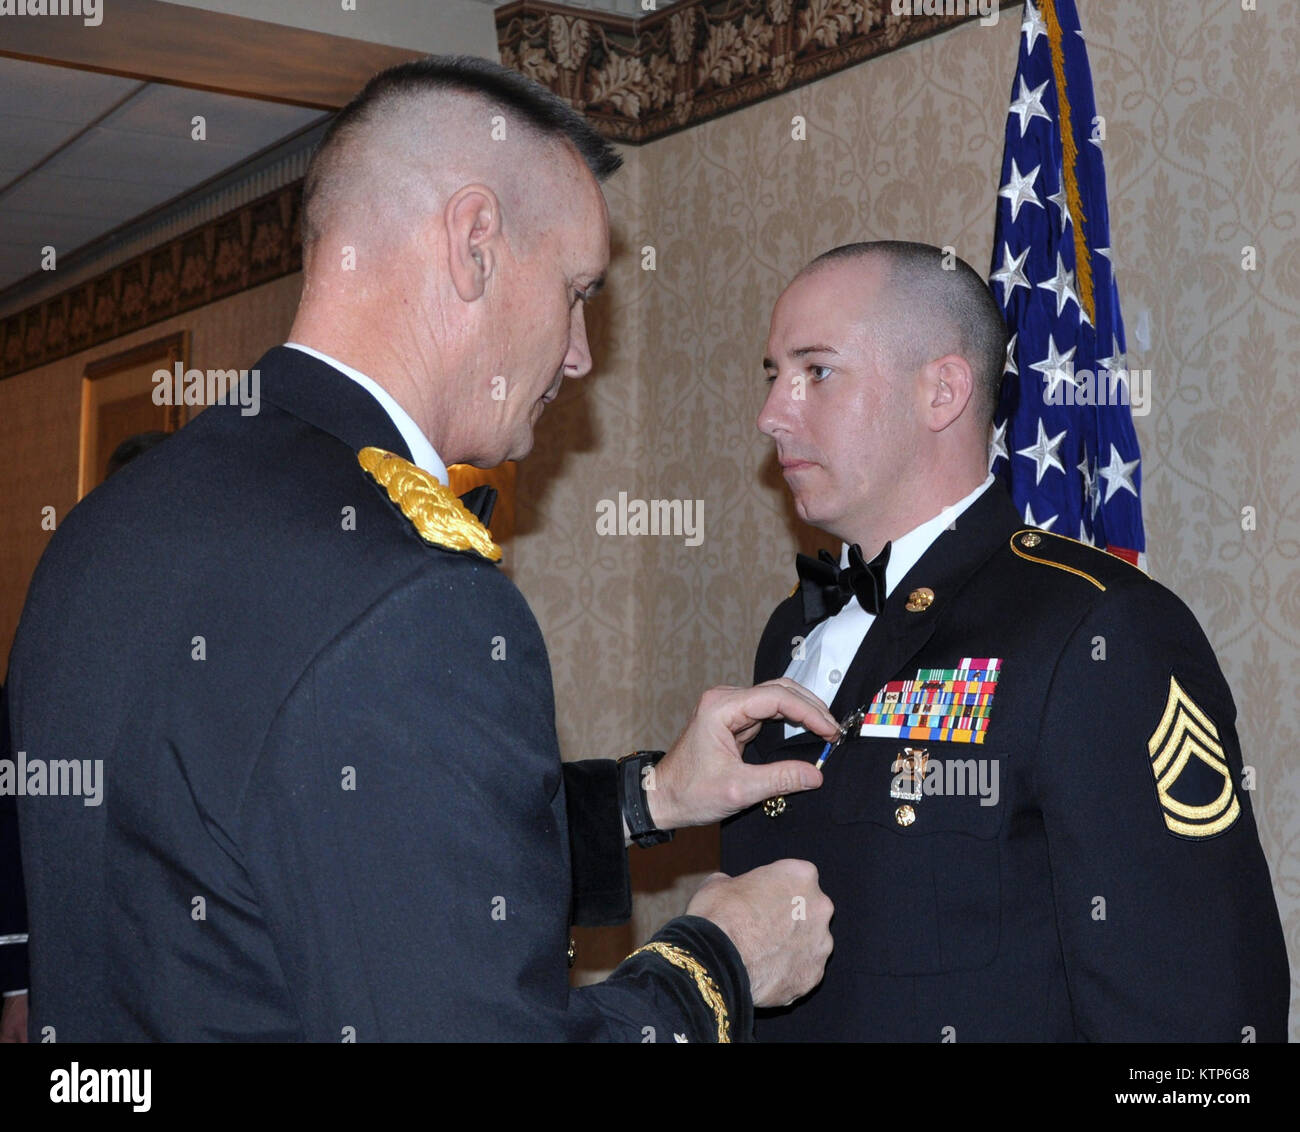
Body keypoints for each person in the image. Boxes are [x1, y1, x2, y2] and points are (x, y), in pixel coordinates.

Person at [6, 56, 837, 1043]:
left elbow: (331, 843)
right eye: (575, 291)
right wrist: (716, 964)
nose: (578, 351)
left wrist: (649, 795)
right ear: (474, 241)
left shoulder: (111, 521)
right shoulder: (410, 593)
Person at [721, 240, 1290, 1041]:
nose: (772, 413)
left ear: (943, 391)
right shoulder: (795, 629)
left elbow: (1201, 1030)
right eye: (773, 375)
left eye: (815, 371)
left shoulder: (1097, 630)